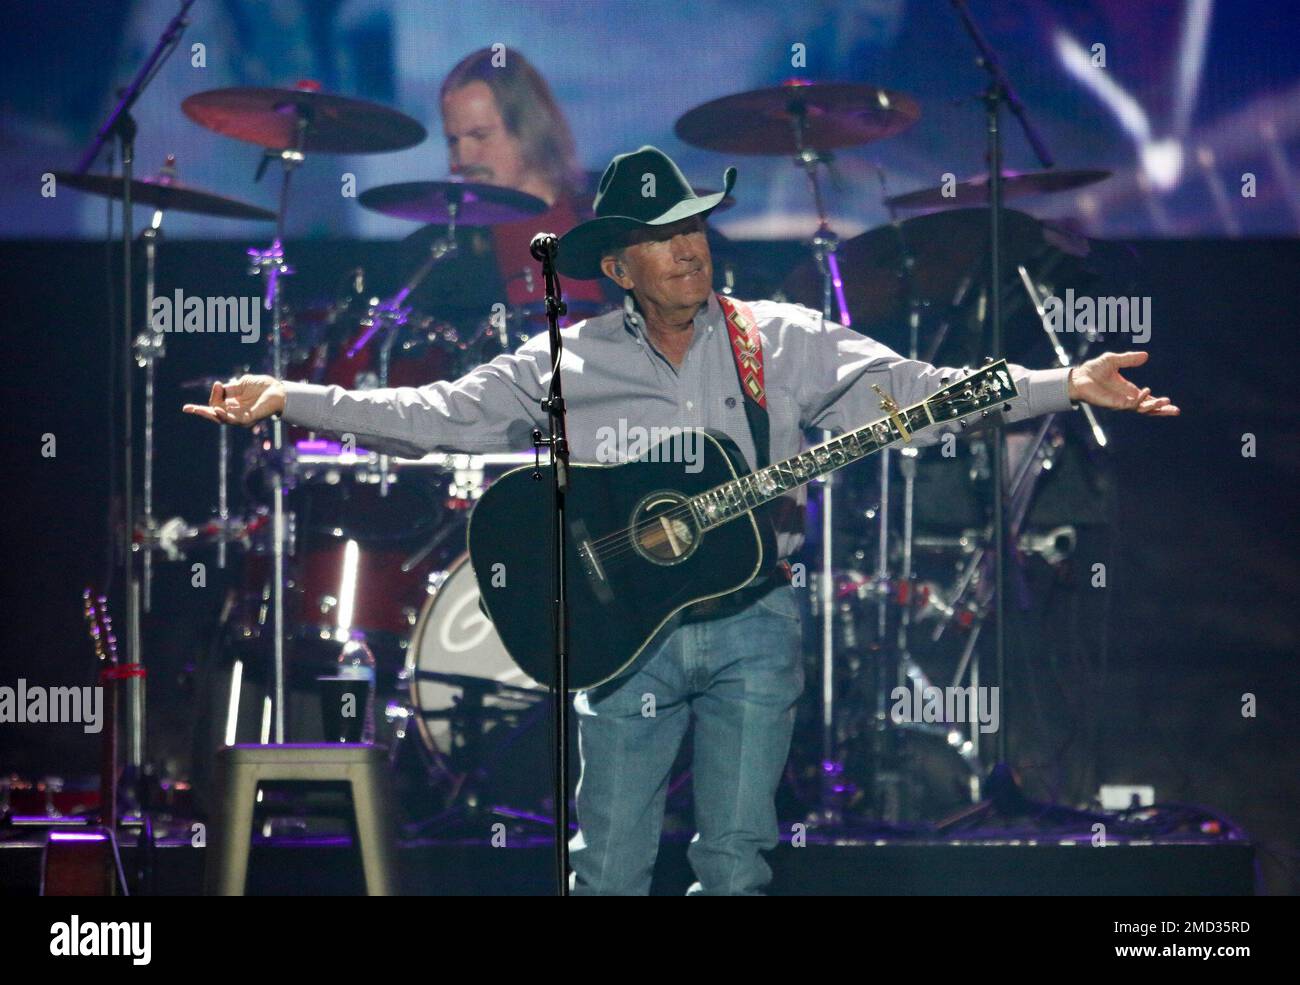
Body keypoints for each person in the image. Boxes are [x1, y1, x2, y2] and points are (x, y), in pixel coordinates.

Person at [185, 146, 1178, 895]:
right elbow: (430, 417)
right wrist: (291, 395)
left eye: (695, 228)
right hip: (624, 635)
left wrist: (1065, 384)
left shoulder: (776, 339)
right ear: (619, 265)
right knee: (609, 865)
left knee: (736, 860)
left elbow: (924, 391)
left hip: (753, 622)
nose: (688, 248)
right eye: (663, 237)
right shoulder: (567, 359)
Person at [438, 47, 606, 312]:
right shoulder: (455, 251)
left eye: (480, 135)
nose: (462, 158)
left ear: (530, 128)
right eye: (453, 140)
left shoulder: (607, 210)